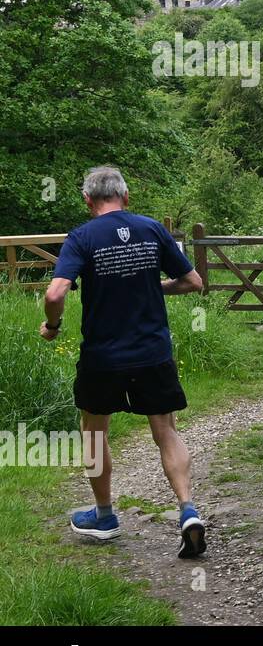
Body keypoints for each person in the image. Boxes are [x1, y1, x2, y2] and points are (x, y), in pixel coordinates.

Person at [41, 166, 208, 558]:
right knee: (166, 430)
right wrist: (156, 286)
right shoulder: (151, 229)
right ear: (126, 197)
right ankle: (187, 510)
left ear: (88, 201)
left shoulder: (81, 237)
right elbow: (193, 282)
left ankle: (104, 517)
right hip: (152, 352)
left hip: (103, 358)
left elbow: (55, 293)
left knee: (94, 432)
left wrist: (52, 325)